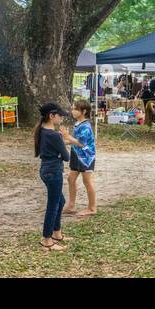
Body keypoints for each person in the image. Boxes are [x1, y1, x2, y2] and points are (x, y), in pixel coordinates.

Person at [35, 102, 73, 252]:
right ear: (51, 116)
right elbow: (66, 156)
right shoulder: (54, 135)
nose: (62, 118)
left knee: (60, 201)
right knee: (53, 204)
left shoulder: (43, 131)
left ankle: (57, 233)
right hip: (53, 171)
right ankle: (47, 239)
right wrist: (63, 141)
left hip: (46, 170)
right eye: (60, 115)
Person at [66, 99, 97, 218]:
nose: (72, 111)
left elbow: (81, 143)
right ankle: (71, 205)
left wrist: (68, 137)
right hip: (76, 155)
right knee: (71, 179)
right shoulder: (78, 124)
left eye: (75, 109)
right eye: (72, 108)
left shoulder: (86, 126)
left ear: (84, 111)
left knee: (87, 181)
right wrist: (63, 140)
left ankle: (92, 207)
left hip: (86, 157)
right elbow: (73, 141)